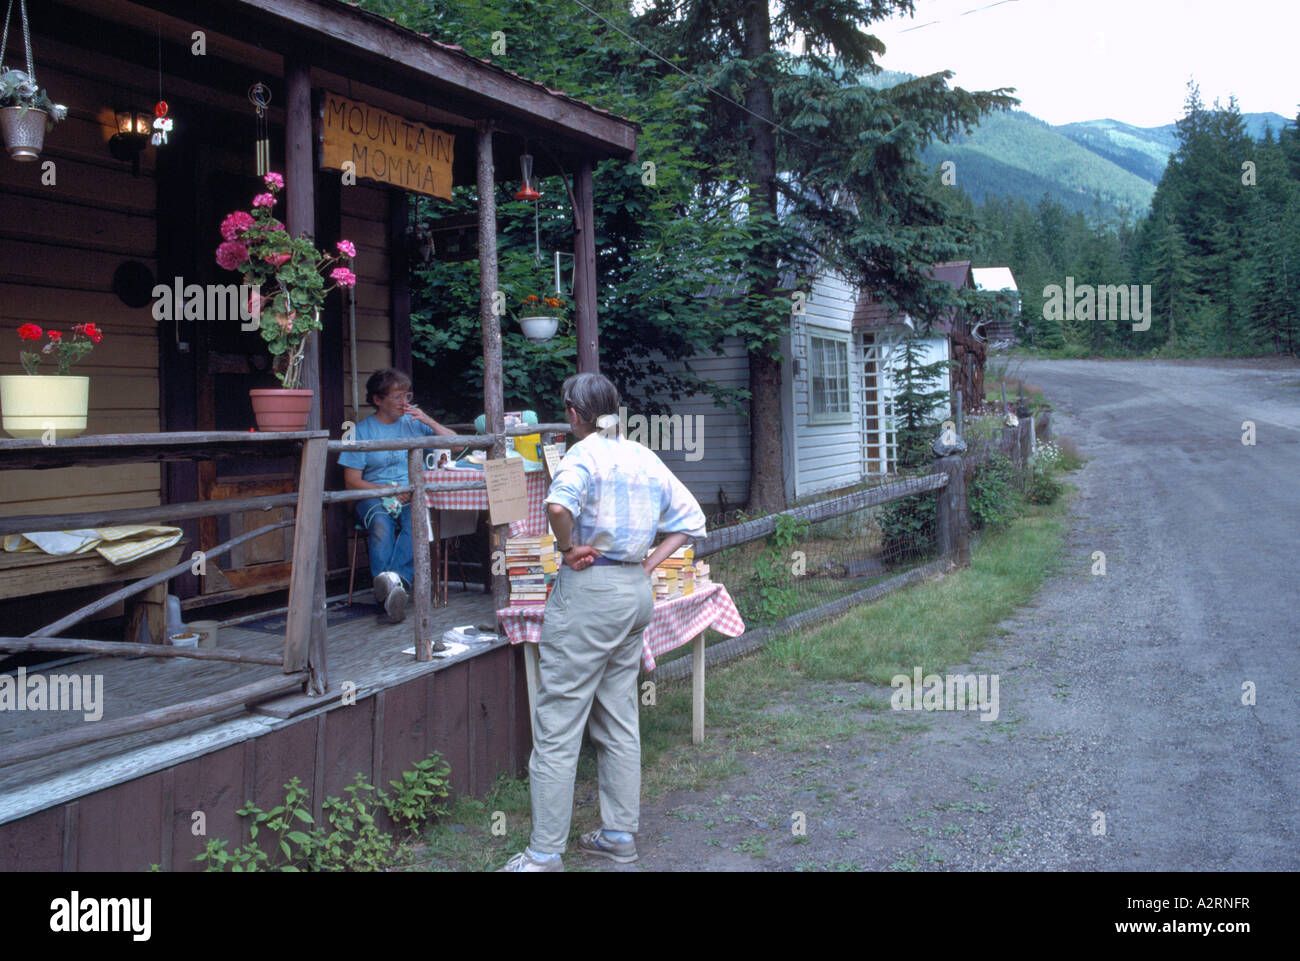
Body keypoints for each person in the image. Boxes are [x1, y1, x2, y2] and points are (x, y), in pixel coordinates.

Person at [499, 372, 706, 872]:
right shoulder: (642, 456)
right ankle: (617, 836)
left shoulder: (581, 455)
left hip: (591, 593)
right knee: (618, 717)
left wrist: (568, 549)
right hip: (634, 592)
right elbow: (691, 519)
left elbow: (556, 505)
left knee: (557, 725)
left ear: (573, 413)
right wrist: (648, 566)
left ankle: (545, 854)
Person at [338, 368, 455, 621]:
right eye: (398, 396)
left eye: (407, 395)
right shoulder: (360, 431)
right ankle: (390, 595)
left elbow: (455, 444)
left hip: (411, 495)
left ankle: (393, 587)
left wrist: (428, 420)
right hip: (373, 495)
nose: (405, 403)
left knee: (418, 522)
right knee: (381, 524)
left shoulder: (413, 424)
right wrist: (389, 491)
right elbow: (351, 481)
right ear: (378, 400)